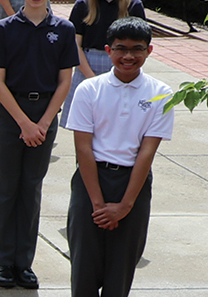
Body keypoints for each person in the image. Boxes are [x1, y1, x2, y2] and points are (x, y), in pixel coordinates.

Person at [0, 0, 78, 289]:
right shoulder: (4, 29)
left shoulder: (63, 31)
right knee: (6, 190)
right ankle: (3, 262)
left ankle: (24, 262)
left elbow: (65, 81)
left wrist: (44, 121)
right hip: (13, 114)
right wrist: (24, 123)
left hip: (46, 113)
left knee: (31, 190)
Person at [65, 17, 174, 297]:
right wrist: (99, 204)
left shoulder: (160, 94)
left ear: (149, 51)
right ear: (108, 50)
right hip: (91, 181)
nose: (128, 56)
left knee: (121, 270)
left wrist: (125, 206)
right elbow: (83, 149)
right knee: (84, 269)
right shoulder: (89, 89)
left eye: (137, 49)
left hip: (133, 182)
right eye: (120, 48)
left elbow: (146, 153)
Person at [64, 0, 145, 126]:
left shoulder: (134, 6)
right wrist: (91, 77)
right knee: (85, 124)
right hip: (86, 67)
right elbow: (74, 45)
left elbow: (141, 46)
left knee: (117, 123)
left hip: (122, 67)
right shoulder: (83, 5)